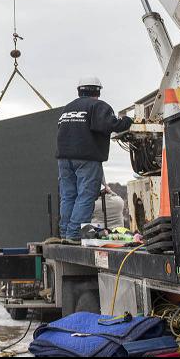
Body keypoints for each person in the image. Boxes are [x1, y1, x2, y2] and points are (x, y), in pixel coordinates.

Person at [57, 77, 133, 242]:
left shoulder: (67, 108)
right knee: (86, 195)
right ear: (97, 91)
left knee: (68, 196)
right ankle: (74, 234)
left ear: (79, 91)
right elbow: (110, 125)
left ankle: (64, 233)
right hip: (86, 158)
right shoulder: (97, 106)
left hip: (64, 158)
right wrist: (128, 121)